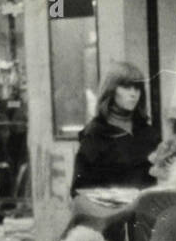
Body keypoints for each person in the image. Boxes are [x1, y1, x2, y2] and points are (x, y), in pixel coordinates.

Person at [69, 63, 161, 196]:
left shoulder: (148, 132)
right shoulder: (95, 134)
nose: (133, 94)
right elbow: (78, 191)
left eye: (137, 88)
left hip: (146, 211)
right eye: (126, 87)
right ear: (111, 90)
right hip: (110, 213)